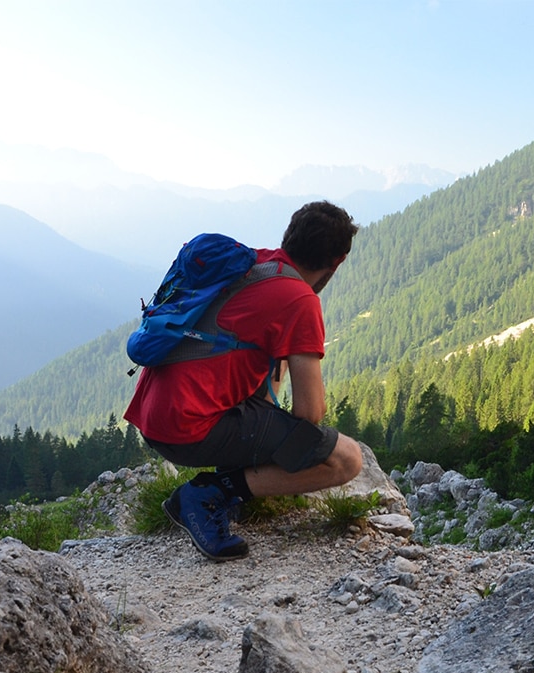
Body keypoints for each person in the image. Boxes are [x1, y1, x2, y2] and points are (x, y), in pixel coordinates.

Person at [124, 201, 364, 561]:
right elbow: (310, 412)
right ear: (338, 261)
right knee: (347, 460)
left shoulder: (254, 263)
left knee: (270, 411)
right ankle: (210, 493)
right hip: (188, 429)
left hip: (153, 414)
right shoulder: (300, 300)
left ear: (290, 236)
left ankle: (226, 485)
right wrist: (284, 451)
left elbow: (258, 372)